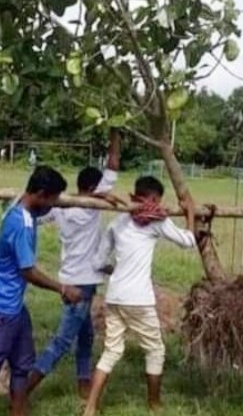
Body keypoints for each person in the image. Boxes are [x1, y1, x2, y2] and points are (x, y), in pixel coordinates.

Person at [0, 165, 83, 416]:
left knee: (23, 362)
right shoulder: (23, 225)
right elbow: (28, 271)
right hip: (3, 307)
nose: (53, 206)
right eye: (52, 200)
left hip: (13, 305)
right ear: (40, 194)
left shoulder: (16, 204)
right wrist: (63, 288)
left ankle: (18, 410)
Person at [82, 176, 198, 416]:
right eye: (158, 200)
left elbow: (97, 262)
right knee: (155, 351)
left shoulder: (117, 222)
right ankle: (154, 405)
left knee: (111, 351)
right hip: (139, 299)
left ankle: (90, 407)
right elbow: (188, 241)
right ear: (153, 198)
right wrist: (190, 212)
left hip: (114, 296)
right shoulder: (156, 221)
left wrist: (117, 270)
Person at [27, 130, 123, 399]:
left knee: (86, 336)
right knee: (62, 341)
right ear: (93, 189)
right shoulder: (92, 205)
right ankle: (24, 390)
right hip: (81, 284)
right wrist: (116, 132)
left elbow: (37, 216)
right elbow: (113, 163)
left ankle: (83, 381)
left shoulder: (60, 206)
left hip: (72, 277)